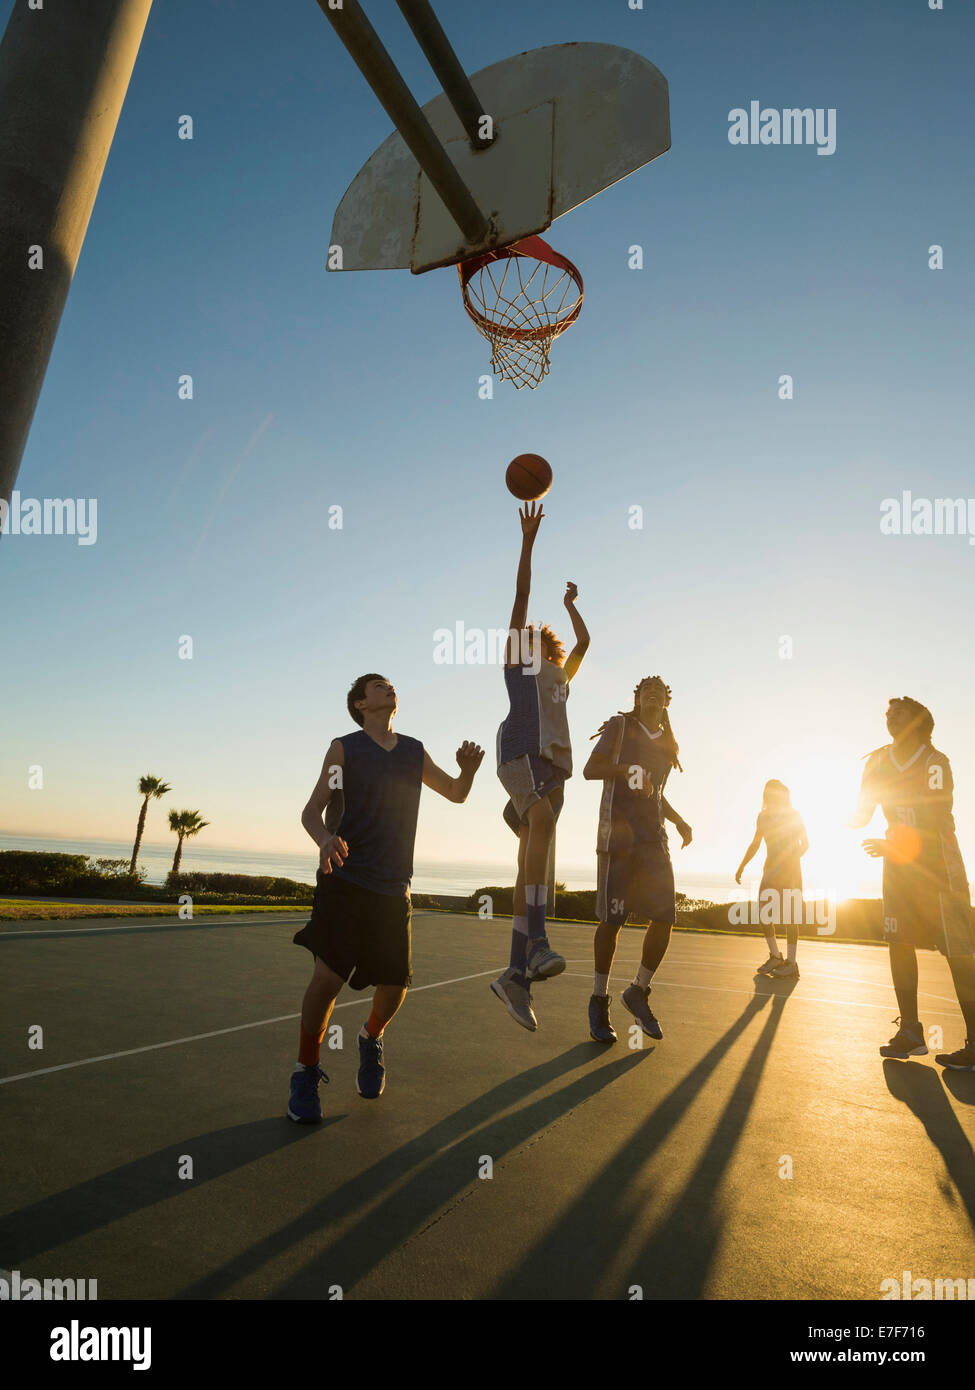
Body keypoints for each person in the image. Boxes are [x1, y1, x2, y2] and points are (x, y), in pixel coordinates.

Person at [288, 674, 484, 1121]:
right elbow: (310, 812)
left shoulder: (413, 751)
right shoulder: (344, 749)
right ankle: (306, 1071)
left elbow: (454, 793)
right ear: (360, 703)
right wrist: (323, 839)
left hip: (394, 886)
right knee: (327, 981)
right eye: (377, 685)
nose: (388, 688)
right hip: (345, 879)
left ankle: (370, 1037)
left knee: (395, 986)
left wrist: (468, 772)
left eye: (391, 684)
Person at [491, 501, 590, 1031]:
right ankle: (540, 942)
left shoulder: (559, 673)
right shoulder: (516, 665)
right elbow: (521, 596)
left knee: (534, 854)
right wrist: (528, 542)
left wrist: (572, 604)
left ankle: (514, 975)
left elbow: (585, 643)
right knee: (543, 828)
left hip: (556, 766)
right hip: (519, 752)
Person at [850, 696, 975, 1069]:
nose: (890, 717)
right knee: (899, 942)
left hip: (937, 867)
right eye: (887, 713)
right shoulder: (876, 761)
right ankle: (911, 1032)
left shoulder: (935, 762)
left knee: (958, 952)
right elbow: (861, 815)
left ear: (918, 722)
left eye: (898, 713)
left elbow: (934, 815)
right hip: (899, 868)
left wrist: (893, 843)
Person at [583, 676, 692, 1043]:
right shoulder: (620, 726)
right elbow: (590, 770)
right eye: (646, 688)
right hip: (618, 838)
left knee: (665, 916)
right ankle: (599, 1000)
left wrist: (679, 821)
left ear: (666, 702)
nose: (652, 692)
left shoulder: (667, 744)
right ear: (636, 696)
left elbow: (656, 794)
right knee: (613, 920)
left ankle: (638, 990)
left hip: (653, 840)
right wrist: (627, 771)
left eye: (659, 690)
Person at [736, 780, 809, 979]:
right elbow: (755, 843)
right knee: (763, 912)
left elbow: (806, 844)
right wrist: (742, 865)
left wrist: (791, 860)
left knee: (790, 916)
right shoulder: (763, 817)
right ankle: (776, 956)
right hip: (770, 871)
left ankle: (792, 964)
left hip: (791, 871)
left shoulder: (793, 815)